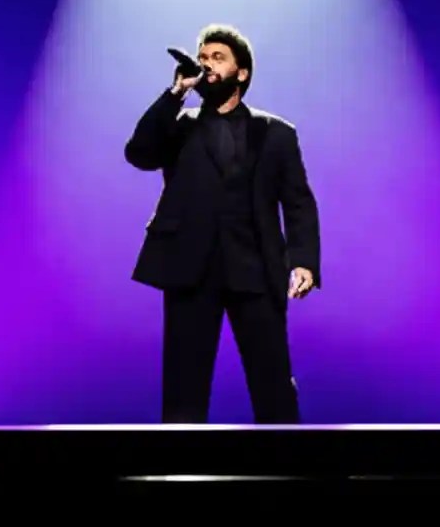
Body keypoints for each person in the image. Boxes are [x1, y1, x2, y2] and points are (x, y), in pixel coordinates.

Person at [124, 24, 321, 424]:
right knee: (184, 385)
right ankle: (179, 474)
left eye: (217, 57)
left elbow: (298, 201)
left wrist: (303, 261)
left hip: (254, 268)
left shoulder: (277, 133)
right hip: (191, 267)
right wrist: (175, 92)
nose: (206, 64)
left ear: (242, 72)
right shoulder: (180, 125)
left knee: (273, 384)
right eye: (203, 57)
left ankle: (288, 473)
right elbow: (139, 153)